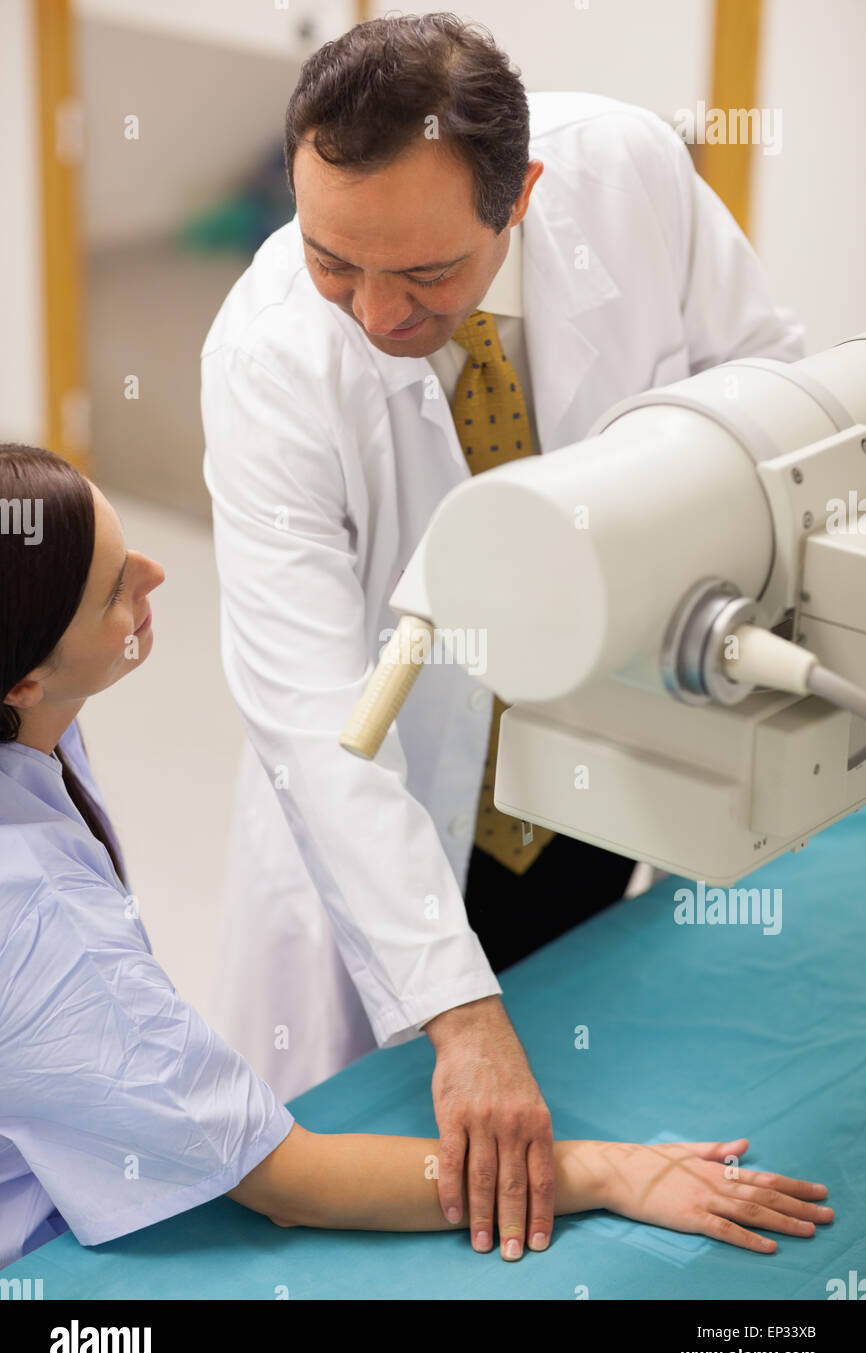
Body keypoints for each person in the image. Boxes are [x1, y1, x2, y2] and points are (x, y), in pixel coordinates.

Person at [200, 13, 806, 1252]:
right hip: (401, 806)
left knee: (606, 1018)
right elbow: (321, 726)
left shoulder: (629, 175)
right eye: (330, 260)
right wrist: (461, 1021)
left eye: (424, 276)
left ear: (519, 196)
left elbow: (763, 400)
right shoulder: (270, 361)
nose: (372, 313)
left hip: (597, 743)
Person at [0, 445, 833, 1270]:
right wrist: (609, 1171)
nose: (157, 572)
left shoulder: (34, 723)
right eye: (115, 589)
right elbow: (285, 1181)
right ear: (25, 681)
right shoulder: (47, 924)